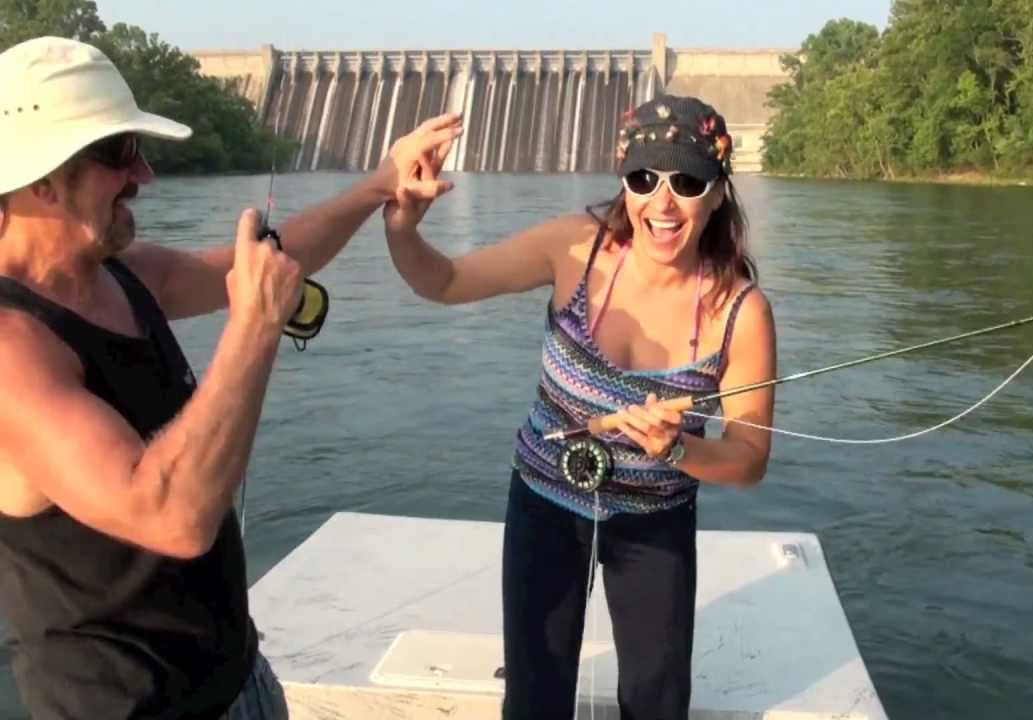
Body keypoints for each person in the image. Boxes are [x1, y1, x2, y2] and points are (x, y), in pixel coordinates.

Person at [0, 36, 461, 719]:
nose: (144, 174)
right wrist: (255, 326)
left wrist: (379, 182)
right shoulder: (12, 350)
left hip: (238, 679)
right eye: (120, 152)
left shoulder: (124, 274)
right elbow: (171, 515)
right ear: (41, 176)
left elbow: (276, 257)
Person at [382, 94, 777, 719]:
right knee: (534, 697)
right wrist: (403, 227)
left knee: (655, 702)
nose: (662, 203)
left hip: (656, 519)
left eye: (687, 182)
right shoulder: (573, 248)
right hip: (543, 500)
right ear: (625, 182)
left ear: (718, 193)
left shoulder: (741, 311)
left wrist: (678, 448)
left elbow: (749, 458)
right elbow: (444, 281)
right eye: (643, 179)